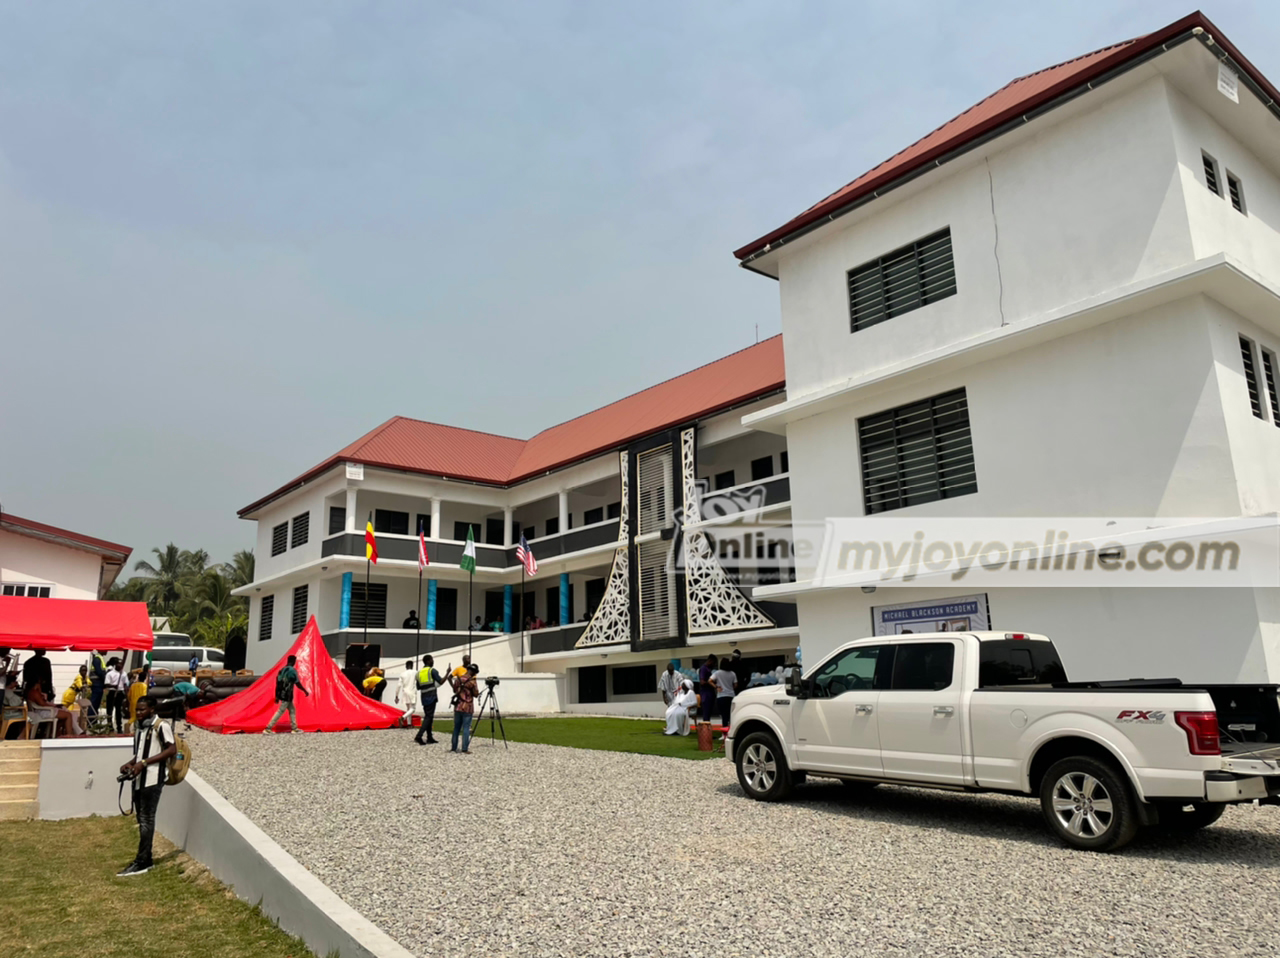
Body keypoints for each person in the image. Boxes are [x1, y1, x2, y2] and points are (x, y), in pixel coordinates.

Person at [116, 695, 177, 877]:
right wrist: (131, 763)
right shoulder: (140, 727)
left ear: (152, 709)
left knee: (146, 820)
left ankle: (142, 861)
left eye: (142, 710)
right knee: (141, 819)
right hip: (139, 779)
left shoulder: (161, 726)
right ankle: (145, 858)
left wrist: (143, 763)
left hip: (153, 779)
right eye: (137, 710)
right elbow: (142, 752)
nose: (139, 713)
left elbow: (171, 749)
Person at [264, 655, 310, 734]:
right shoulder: (292, 671)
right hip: (287, 694)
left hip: (282, 694)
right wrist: (304, 690)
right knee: (280, 711)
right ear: (293, 661)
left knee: (292, 710)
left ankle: (294, 728)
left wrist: (277, 696)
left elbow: (278, 684)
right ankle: (268, 727)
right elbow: (297, 683)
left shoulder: (281, 670)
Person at [413, 654, 446, 745]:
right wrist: (447, 673)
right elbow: (441, 681)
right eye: (432, 660)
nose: (433, 661)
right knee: (428, 717)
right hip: (431, 696)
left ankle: (429, 737)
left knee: (429, 717)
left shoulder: (419, 673)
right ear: (428, 661)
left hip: (424, 697)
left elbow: (418, 687)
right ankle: (419, 736)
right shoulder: (432, 671)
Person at [449, 664, 479, 753]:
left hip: (458, 706)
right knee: (466, 728)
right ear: (473, 672)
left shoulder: (458, 679)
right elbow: (476, 694)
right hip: (467, 707)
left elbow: (455, 690)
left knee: (456, 728)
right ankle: (464, 748)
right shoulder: (473, 681)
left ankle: (454, 747)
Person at [711, 656, 737, 728]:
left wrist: (716, 687)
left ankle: (724, 732)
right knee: (731, 714)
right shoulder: (732, 673)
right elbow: (735, 684)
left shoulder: (717, 673)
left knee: (723, 715)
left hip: (721, 695)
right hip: (731, 695)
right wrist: (730, 688)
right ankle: (731, 730)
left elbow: (710, 680)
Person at [104, 657, 127, 733]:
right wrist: (113, 686)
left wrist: (126, 691)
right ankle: (110, 726)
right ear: (115, 664)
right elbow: (107, 684)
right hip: (112, 692)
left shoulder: (123, 673)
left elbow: (125, 683)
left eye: (121, 664)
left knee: (119, 711)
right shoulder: (110, 673)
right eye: (118, 664)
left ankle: (119, 727)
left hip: (120, 693)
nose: (120, 665)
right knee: (110, 710)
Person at [697, 654, 717, 723]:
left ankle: (707, 728)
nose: (714, 665)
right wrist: (711, 683)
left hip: (710, 693)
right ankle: (705, 730)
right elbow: (702, 682)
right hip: (706, 694)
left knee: (709, 713)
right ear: (710, 661)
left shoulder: (709, 669)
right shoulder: (704, 668)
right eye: (713, 663)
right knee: (706, 713)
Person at [396, 659, 417, 726]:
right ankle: (403, 718)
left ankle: (409, 724)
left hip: (405, 692)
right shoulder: (415, 672)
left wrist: (396, 696)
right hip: (412, 692)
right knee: (413, 709)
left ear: (406, 666)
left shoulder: (402, 674)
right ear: (412, 665)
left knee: (408, 708)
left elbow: (399, 685)